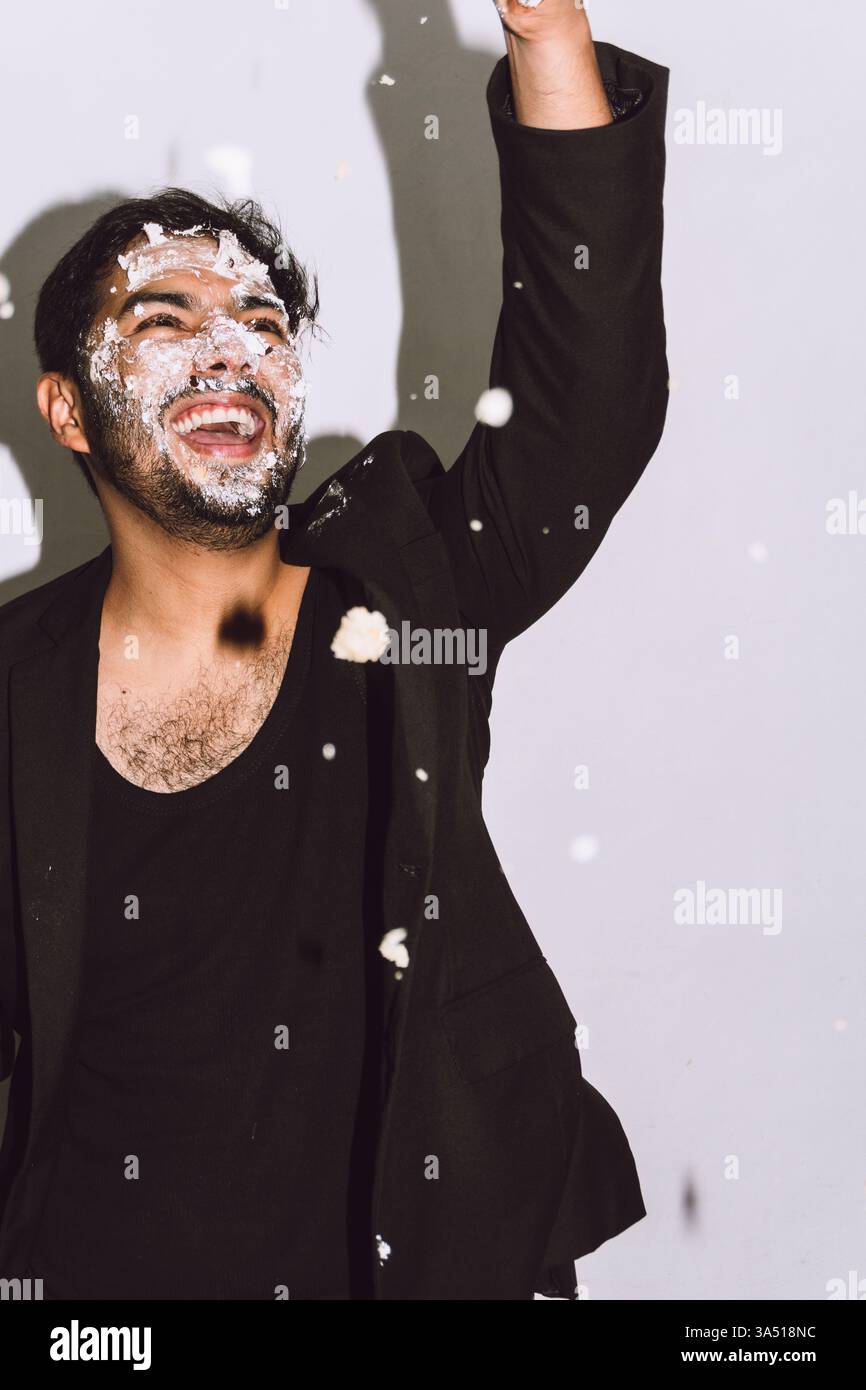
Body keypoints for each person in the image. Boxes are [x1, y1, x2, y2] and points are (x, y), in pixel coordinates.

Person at [0, 0, 669, 1299]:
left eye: (258, 318)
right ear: (67, 409)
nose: (227, 350)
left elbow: (587, 402)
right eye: (162, 320)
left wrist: (545, 38)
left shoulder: (413, 568)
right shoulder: (9, 688)